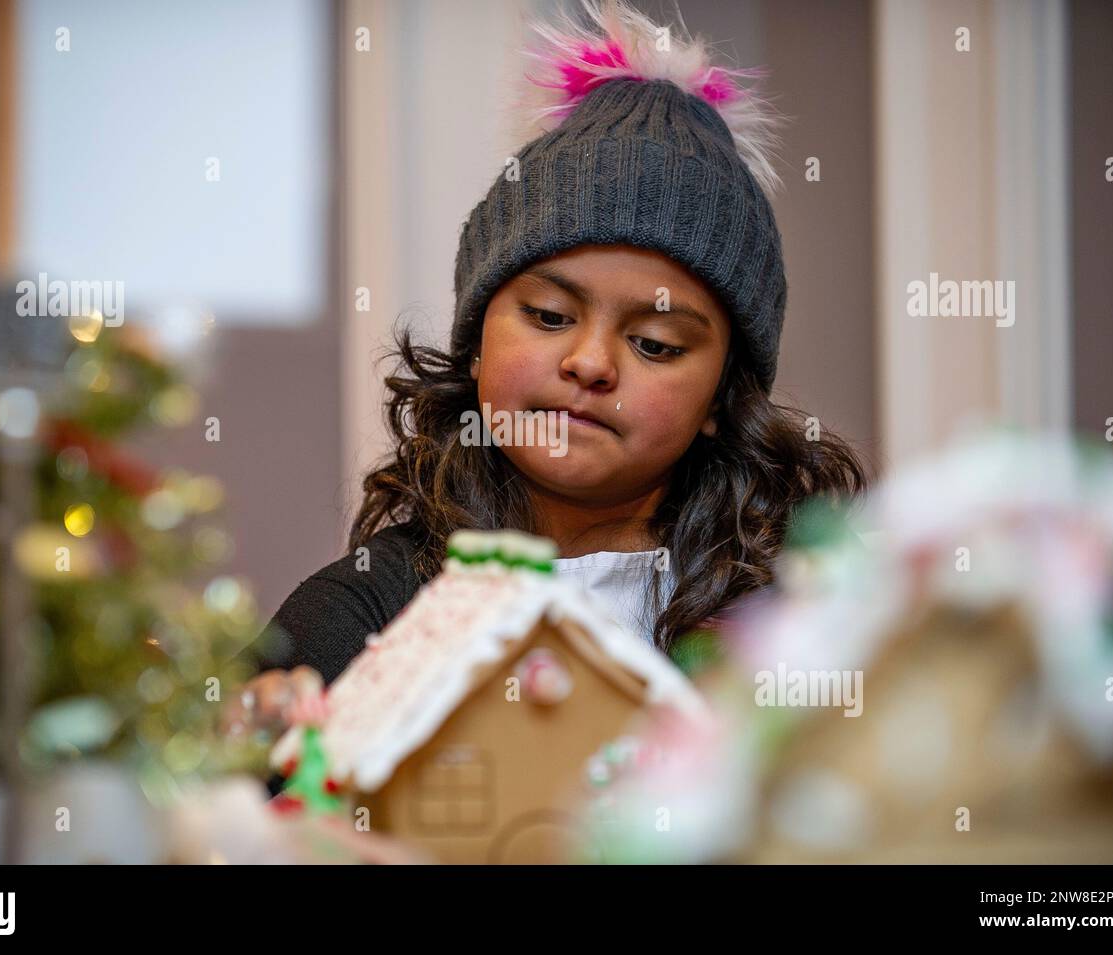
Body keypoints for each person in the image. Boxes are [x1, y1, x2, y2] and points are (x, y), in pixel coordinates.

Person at [223, 0, 866, 737]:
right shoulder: (363, 610)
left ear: (723, 395)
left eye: (654, 342)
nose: (589, 363)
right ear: (476, 339)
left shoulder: (799, 627)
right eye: (550, 317)